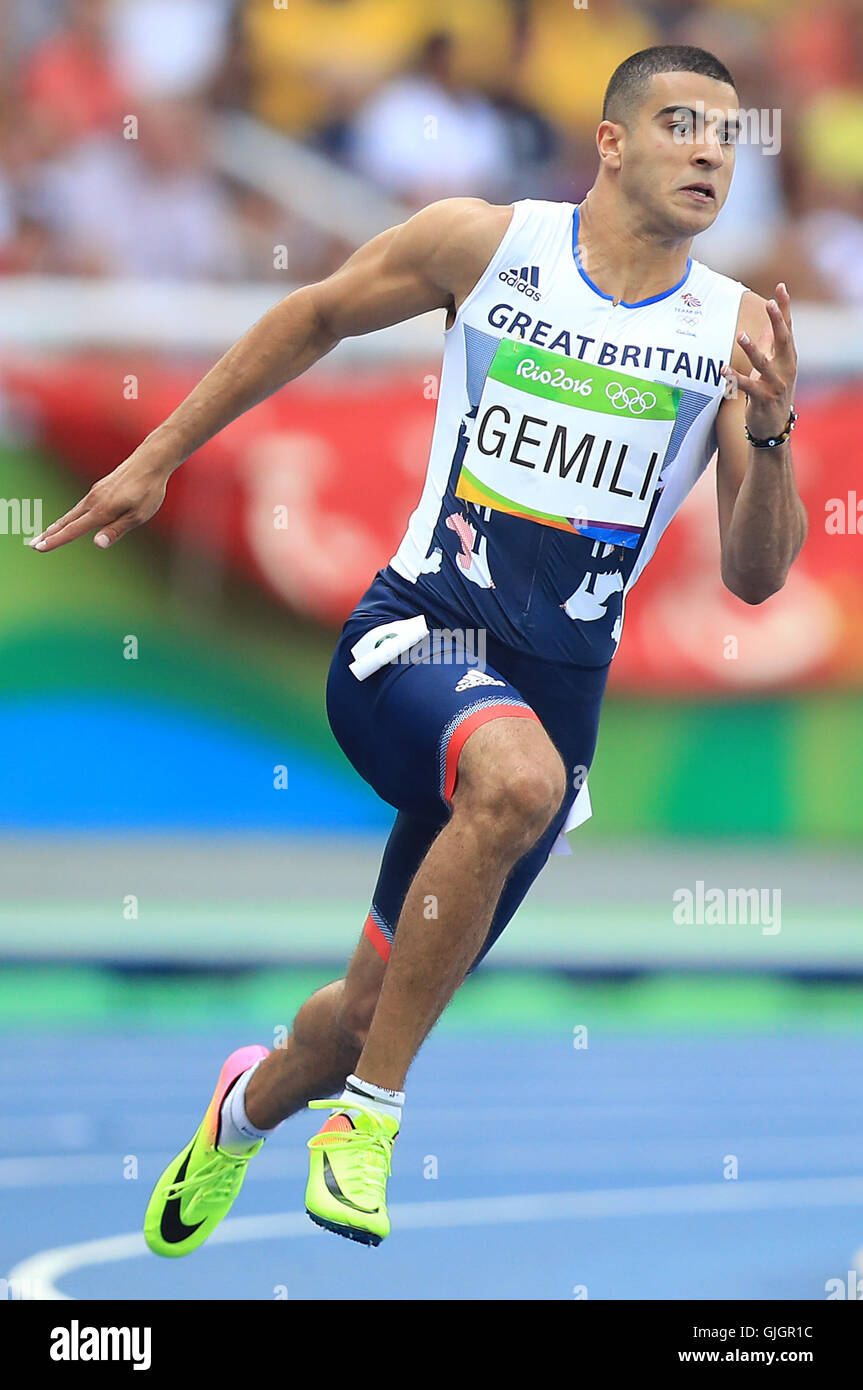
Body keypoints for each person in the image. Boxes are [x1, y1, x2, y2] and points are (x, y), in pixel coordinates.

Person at [30, 45, 807, 1250]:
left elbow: (756, 577)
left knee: (359, 1010)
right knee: (514, 781)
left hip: (551, 709)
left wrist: (771, 429)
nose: (709, 150)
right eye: (678, 125)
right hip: (413, 641)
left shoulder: (738, 331)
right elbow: (315, 313)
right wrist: (156, 455)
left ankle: (245, 1109)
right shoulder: (484, 246)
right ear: (608, 143)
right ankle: (370, 1121)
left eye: (725, 134)